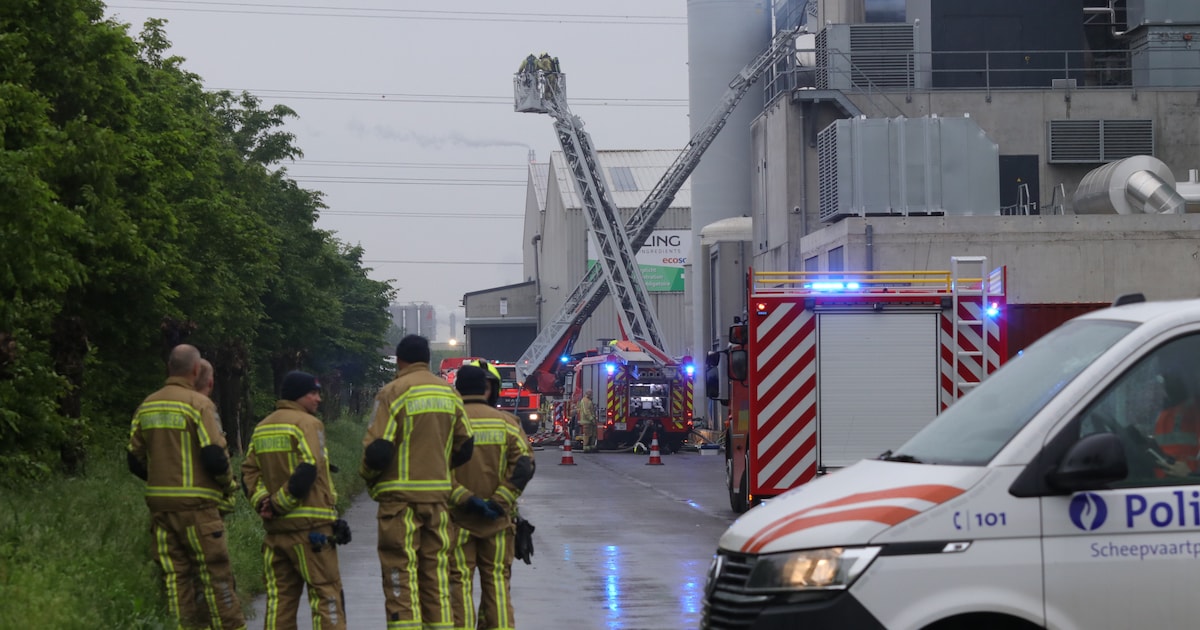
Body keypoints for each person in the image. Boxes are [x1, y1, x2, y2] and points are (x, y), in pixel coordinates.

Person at [360, 334, 475, 628]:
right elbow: (465, 447)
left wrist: (370, 479)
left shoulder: (392, 392)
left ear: (399, 360)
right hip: (437, 501)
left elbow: (378, 451)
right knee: (436, 575)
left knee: (400, 573)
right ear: (428, 360)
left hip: (399, 502)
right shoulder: (449, 394)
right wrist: (438, 470)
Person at [126, 344, 244, 630]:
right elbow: (215, 457)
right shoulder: (199, 404)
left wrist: (162, 480)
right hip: (198, 509)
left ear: (169, 368)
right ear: (195, 370)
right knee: (215, 575)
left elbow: (134, 459)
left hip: (161, 509)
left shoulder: (148, 404)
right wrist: (229, 485)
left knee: (175, 578)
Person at [242, 370, 349, 630]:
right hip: (311, 528)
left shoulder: (263, 427)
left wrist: (262, 503)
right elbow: (309, 467)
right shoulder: (308, 424)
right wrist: (280, 503)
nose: (318, 399)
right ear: (298, 396)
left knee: (280, 600)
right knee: (327, 595)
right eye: (313, 393)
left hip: (276, 533)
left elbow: (248, 472)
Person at [448, 366, 536, 629]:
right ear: (488, 389)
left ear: (457, 389)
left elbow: (435, 470)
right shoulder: (507, 423)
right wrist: (500, 501)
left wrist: (464, 497)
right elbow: (524, 466)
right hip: (497, 524)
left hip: (457, 521)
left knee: (458, 586)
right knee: (497, 584)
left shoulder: (448, 423)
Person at [1153, 372, 1200, 478]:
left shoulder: (1193, 410)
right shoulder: (1166, 415)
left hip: (1186, 482)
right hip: (1168, 481)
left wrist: (1190, 475)